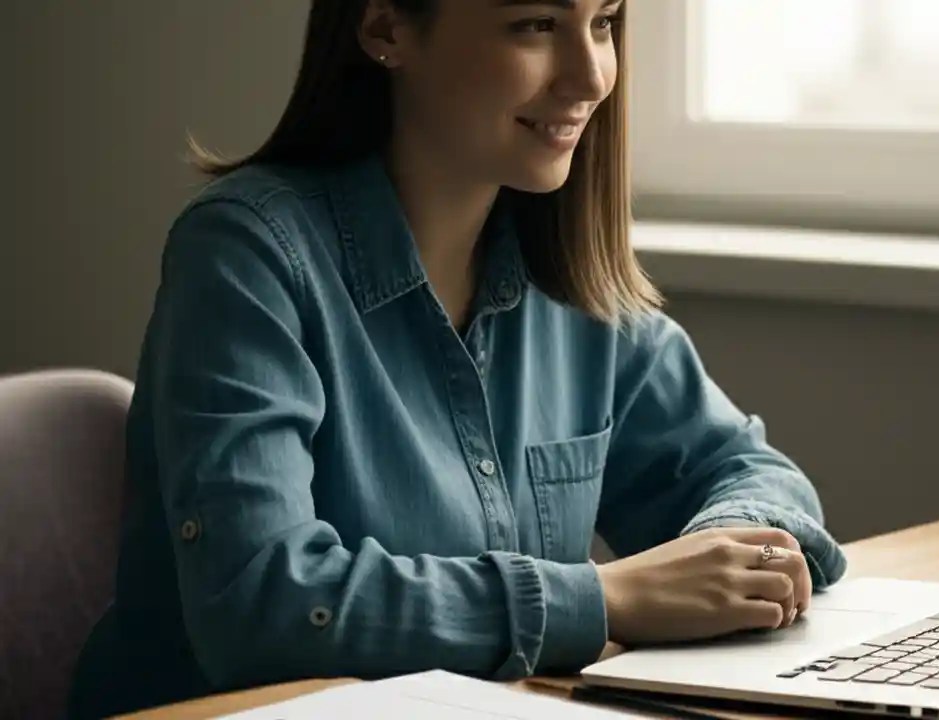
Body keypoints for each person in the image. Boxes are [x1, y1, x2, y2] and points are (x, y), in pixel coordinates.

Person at [69, 0, 847, 716]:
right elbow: (265, 604)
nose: (591, 77)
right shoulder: (246, 256)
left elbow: (754, 475)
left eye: (604, 21)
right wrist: (606, 600)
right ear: (385, 29)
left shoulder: (566, 274)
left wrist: (730, 564)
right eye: (537, 24)